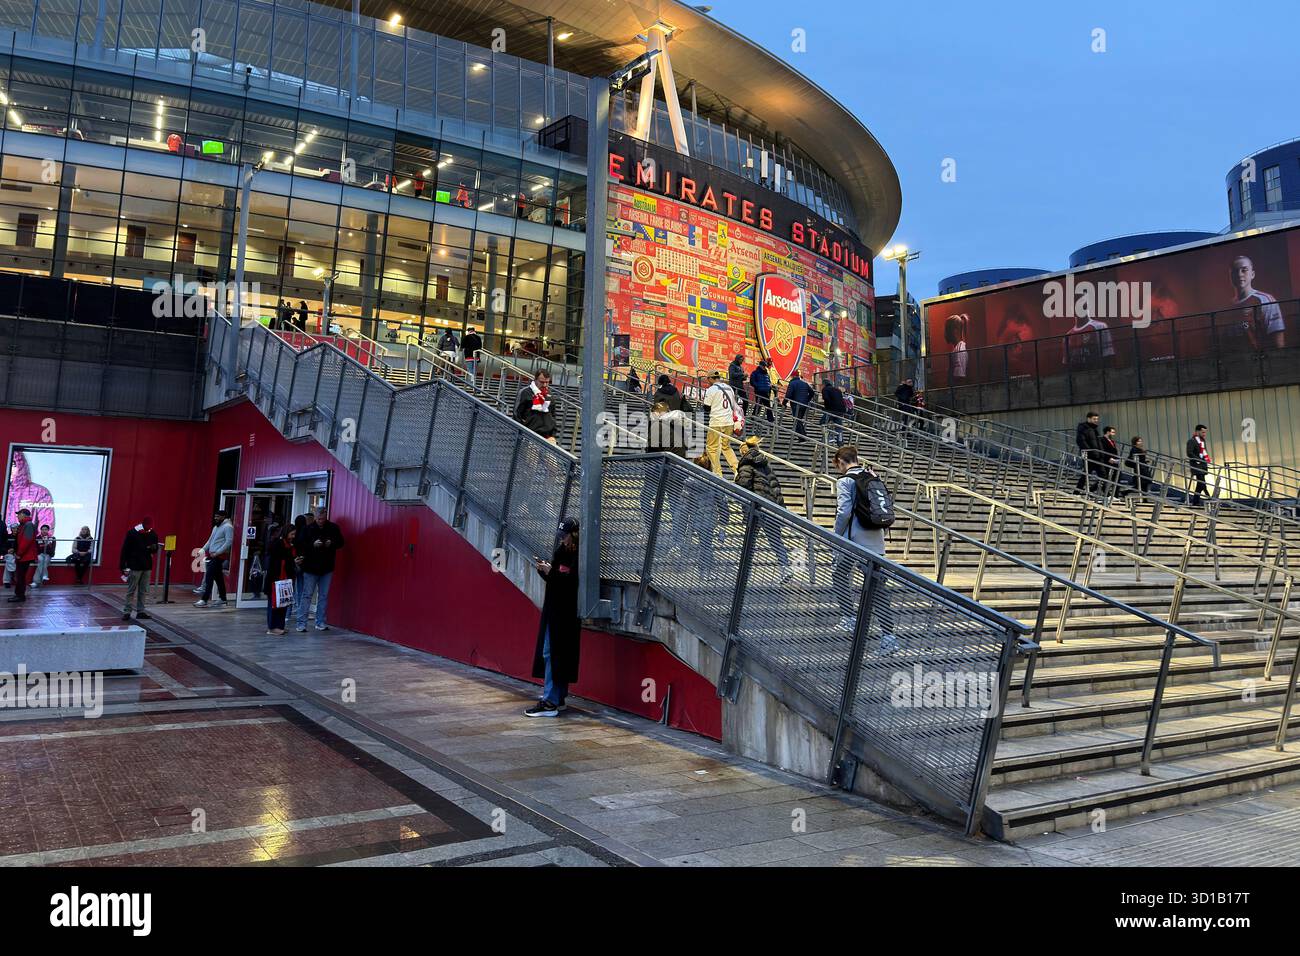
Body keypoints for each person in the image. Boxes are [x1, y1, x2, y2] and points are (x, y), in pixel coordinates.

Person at [831, 445, 898, 651]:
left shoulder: (845, 481)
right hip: (876, 538)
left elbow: (844, 512)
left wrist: (835, 536)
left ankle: (849, 617)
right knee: (877, 588)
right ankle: (889, 637)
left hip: (853, 541)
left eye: (838, 465)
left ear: (841, 462)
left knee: (839, 575)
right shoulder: (872, 476)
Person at [526, 518, 581, 718]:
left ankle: (550, 700)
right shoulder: (562, 552)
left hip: (565, 612)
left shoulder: (578, 555)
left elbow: (571, 583)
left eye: (565, 536)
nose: (563, 540)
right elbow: (557, 581)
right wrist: (544, 571)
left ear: (574, 535)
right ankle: (557, 698)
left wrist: (552, 573)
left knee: (553, 653)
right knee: (556, 654)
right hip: (556, 608)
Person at [734, 436, 794, 583]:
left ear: (744, 453)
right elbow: (775, 487)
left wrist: (736, 481)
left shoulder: (746, 466)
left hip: (757, 508)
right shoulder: (765, 465)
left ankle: (743, 573)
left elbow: (743, 485)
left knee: (749, 540)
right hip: (771, 507)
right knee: (775, 539)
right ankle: (785, 567)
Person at [296, 507, 344, 632]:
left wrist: (331, 543)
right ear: (315, 517)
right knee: (307, 595)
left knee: (323, 595)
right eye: (317, 519)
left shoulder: (333, 528)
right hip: (311, 567)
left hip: (326, 567)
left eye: (322, 519)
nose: (320, 521)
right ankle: (301, 623)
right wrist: (313, 544)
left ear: (326, 516)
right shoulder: (307, 529)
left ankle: (320, 622)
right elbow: (300, 544)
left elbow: (341, 542)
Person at [1227, 255, 1286, 351]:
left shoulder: (1265, 300)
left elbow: (1278, 338)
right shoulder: (1228, 306)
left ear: (1252, 274)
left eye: (1244, 270)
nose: (1239, 274)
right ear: (1230, 276)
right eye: (1235, 271)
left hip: (1262, 360)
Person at [701, 370, 742, 478]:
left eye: (707, 379)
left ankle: (717, 473)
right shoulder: (729, 388)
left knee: (711, 448)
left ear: (710, 378)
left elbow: (706, 407)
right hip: (729, 422)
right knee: (726, 447)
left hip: (716, 422)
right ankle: (737, 470)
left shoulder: (711, 389)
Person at [119, 517, 159, 621]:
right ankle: (127, 611)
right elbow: (125, 550)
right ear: (143, 524)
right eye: (148, 527)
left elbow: (154, 551)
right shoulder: (132, 533)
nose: (149, 529)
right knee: (131, 589)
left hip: (146, 566)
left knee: (143, 590)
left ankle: (141, 611)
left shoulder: (153, 534)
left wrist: (154, 548)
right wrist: (123, 566)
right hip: (134, 565)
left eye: (150, 527)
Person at [194, 510, 234, 607]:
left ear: (224, 516)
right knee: (218, 578)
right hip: (213, 555)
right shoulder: (216, 527)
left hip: (218, 556)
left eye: (218, 516)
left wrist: (217, 552)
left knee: (209, 577)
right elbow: (210, 541)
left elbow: (229, 542)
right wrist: (202, 551)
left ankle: (204, 600)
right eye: (215, 516)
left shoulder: (228, 527)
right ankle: (223, 598)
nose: (215, 518)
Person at [649, 374, 693, 458]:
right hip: (677, 422)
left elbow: (657, 408)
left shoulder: (659, 393)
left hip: (664, 423)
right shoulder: (676, 391)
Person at [264, 524, 297, 636]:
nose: (293, 536)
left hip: (284, 579)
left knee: (283, 603)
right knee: (274, 604)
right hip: (276, 578)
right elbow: (276, 562)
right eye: (292, 534)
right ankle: (272, 627)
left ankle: (280, 626)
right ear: (286, 533)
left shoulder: (288, 545)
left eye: (294, 534)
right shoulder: (278, 544)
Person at [515, 370, 559, 442]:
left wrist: (553, 435)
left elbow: (553, 416)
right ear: (535, 380)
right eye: (542, 382)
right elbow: (517, 414)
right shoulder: (525, 392)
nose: (545, 385)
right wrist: (523, 432)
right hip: (529, 436)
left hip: (548, 438)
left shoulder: (550, 395)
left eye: (547, 382)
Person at [5, 508, 37, 603]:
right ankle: (18, 594)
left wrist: (19, 554)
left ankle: (20, 596)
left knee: (21, 576)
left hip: (24, 556)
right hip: (22, 555)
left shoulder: (28, 525)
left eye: (19, 514)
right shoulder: (23, 525)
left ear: (24, 515)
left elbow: (26, 541)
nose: (17, 516)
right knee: (20, 576)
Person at [1074, 412, 1102, 492]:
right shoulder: (1083, 427)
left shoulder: (1094, 429)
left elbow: (1098, 442)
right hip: (1089, 454)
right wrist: (1091, 452)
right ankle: (1108, 494)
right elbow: (1081, 441)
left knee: (1089, 473)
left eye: (1097, 419)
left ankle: (1078, 491)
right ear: (1088, 418)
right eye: (1094, 419)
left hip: (1096, 455)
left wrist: (1100, 452)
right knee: (1102, 474)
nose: (1096, 420)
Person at [782, 370, 815, 439]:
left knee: (797, 420)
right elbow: (812, 392)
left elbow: (788, 395)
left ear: (793, 376)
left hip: (796, 404)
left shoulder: (792, 383)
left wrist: (784, 403)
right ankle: (801, 437)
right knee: (798, 420)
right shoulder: (804, 383)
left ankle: (803, 436)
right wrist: (807, 400)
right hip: (804, 405)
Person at [1187, 424, 1212, 506]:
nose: (1204, 434)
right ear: (1197, 432)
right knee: (1201, 482)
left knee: (1200, 484)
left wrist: (1206, 459)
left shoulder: (1202, 441)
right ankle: (1208, 497)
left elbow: (1204, 452)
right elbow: (1189, 453)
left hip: (1202, 465)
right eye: (1203, 432)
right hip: (1196, 465)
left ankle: (1195, 501)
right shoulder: (1192, 441)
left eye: (1205, 432)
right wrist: (1198, 460)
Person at [821, 378, 848, 446]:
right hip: (840, 411)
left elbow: (826, 398)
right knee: (838, 427)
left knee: (823, 422)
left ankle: (828, 438)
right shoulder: (837, 390)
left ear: (824, 384)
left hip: (831, 410)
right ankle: (840, 441)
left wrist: (827, 407)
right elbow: (841, 399)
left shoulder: (825, 389)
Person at [1099, 426, 1122, 495]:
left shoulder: (1112, 441)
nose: (1114, 434)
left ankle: (1116, 495)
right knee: (1106, 478)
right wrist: (1108, 458)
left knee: (1117, 478)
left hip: (1115, 461)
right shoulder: (1101, 440)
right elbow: (1102, 450)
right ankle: (1106, 493)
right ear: (1108, 432)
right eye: (1112, 432)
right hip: (1107, 462)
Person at [31, 523, 55, 589]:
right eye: (43, 529)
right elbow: (36, 549)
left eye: (46, 529)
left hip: (48, 555)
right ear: (40, 530)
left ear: (48, 530)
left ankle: (35, 582)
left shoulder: (52, 538)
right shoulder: (37, 538)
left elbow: (52, 550)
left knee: (42, 562)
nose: (44, 531)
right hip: (40, 554)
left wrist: (47, 544)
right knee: (41, 560)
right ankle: (45, 574)